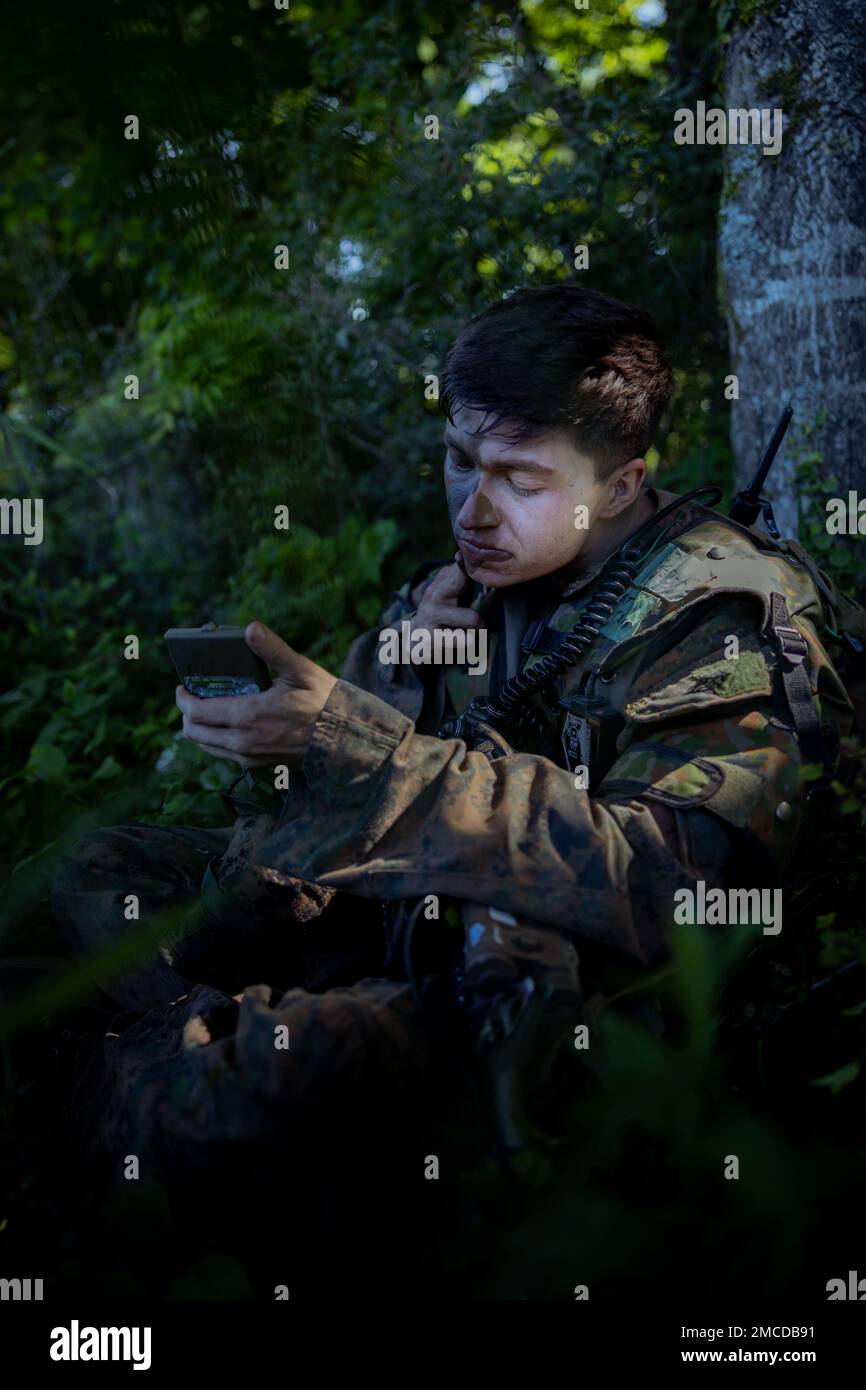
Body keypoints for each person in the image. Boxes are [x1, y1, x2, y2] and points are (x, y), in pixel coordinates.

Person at [52, 284, 860, 1179]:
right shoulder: (487, 571)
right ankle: (160, 1052)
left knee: (245, 1085)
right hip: (409, 911)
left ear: (622, 485)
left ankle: (135, 1076)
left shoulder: (718, 616)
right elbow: (358, 757)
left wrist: (356, 745)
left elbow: (673, 885)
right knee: (87, 875)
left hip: (566, 983)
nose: (473, 510)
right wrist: (386, 668)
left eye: (520, 479)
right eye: (459, 459)